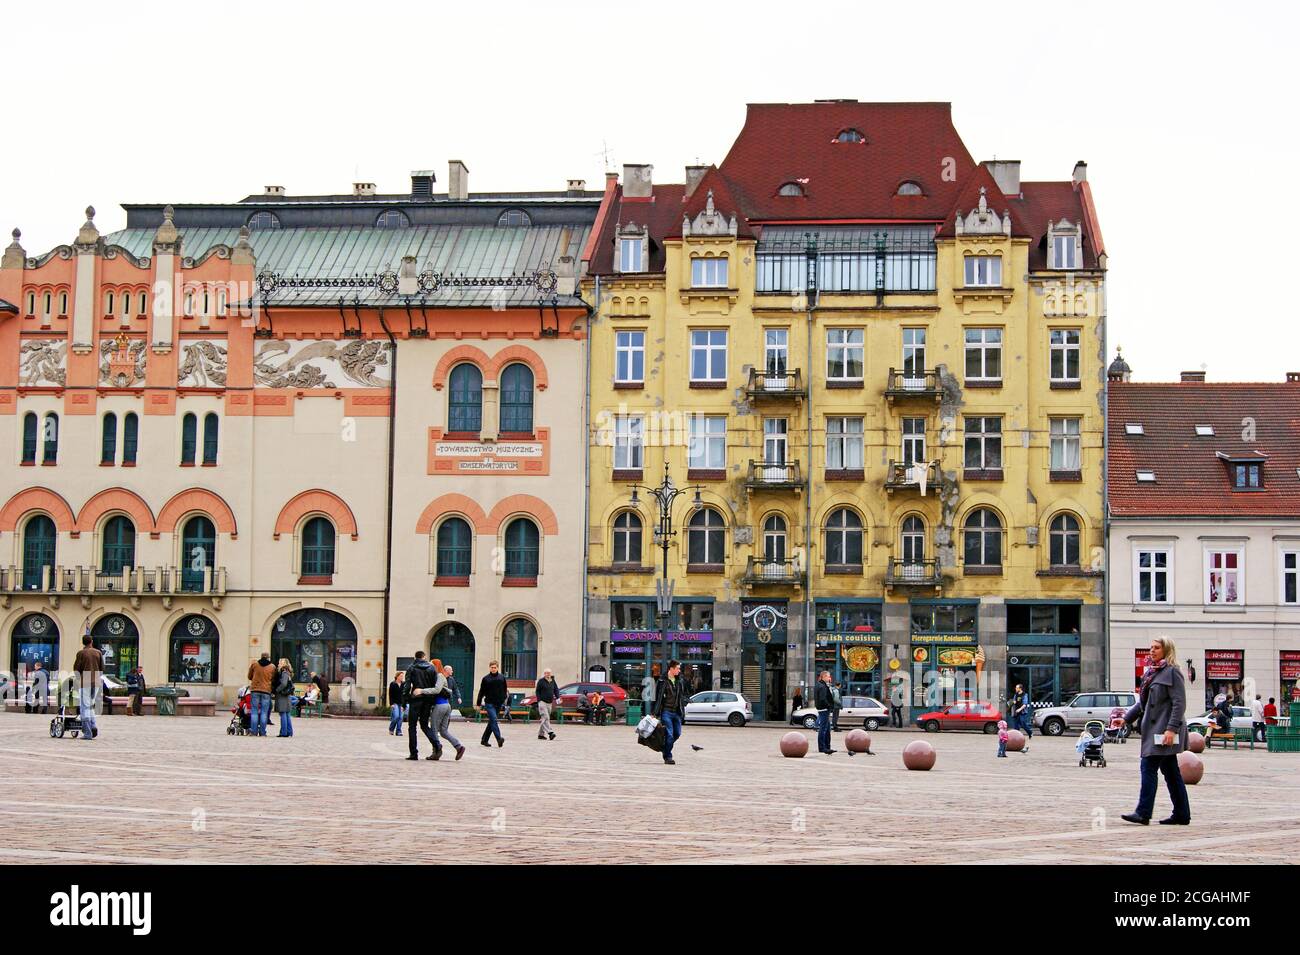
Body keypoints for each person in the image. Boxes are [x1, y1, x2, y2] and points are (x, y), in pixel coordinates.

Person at [1122, 636, 1191, 826]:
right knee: (1170, 771)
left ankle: (1143, 812)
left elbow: (1179, 704)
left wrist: (1171, 729)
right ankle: (1182, 814)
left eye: (1157, 648)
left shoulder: (1172, 673)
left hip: (1164, 730)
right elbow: (1142, 703)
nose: (1152, 651)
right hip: (1154, 730)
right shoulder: (1151, 674)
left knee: (1148, 766)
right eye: (1151, 647)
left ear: (1167, 650)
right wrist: (1126, 719)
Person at [404, 651, 441, 761]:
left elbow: (407, 685)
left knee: (412, 727)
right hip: (428, 700)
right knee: (424, 725)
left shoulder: (411, 667)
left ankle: (413, 753)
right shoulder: (431, 668)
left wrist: (406, 698)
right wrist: (433, 700)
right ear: (424, 657)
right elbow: (435, 685)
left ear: (415, 657)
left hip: (416, 700)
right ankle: (437, 745)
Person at [653, 660, 688, 765]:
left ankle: (665, 748)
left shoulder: (680, 680)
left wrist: (684, 702)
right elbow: (658, 698)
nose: (679, 670)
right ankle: (668, 756)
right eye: (677, 668)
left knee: (677, 733)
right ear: (671, 669)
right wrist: (655, 712)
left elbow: (682, 695)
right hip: (666, 712)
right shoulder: (662, 681)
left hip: (677, 712)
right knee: (670, 735)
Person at [430, 658, 466, 760]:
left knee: (434, 730)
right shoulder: (442, 677)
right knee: (443, 731)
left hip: (440, 705)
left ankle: (436, 751)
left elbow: (436, 690)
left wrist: (422, 691)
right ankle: (458, 746)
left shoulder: (438, 676)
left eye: (431, 664)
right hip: (447, 706)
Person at [73, 635, 104, 741]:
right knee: (91, 705)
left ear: (83, 643)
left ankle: (87, 732)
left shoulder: (81, 653)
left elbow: (76, 669)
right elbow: (101, 668)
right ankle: (93, 725)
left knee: (85, 707)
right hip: (96, 681)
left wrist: (78, 679)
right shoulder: (98, 652)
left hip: (85, 681)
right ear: (91, 641)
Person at [476, 660, 508, 748]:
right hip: (489, 703)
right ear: (489, 668)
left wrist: (504, 698)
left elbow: (505, 689)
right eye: (492, 667)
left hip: (498, 703)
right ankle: (499, 739)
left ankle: (484, 740)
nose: (493, 669)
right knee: (494, 719)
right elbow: (481, 691)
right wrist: (478, 703)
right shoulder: (486, 679)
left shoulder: (502, 678)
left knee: (491, 722)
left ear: (497, 668)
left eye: (495, 667)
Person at [246, 652, 277, 737]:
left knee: (254, 711)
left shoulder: (255, 665)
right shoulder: (272, 667)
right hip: (266, 691)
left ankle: (254, 732)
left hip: (255, 690)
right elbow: (274, 678)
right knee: (264, 712)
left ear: (261, 657)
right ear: (268, 658)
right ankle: (263, 732)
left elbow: (249, 676)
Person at [814, 671, 835, 755]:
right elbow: (823, 699)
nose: (829, 678)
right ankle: (823, 748)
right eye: (828, 676)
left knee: (827, 729)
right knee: (823, 729)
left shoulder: (819, 684)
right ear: (824, 676)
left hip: (822, 709)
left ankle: (827, 747)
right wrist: (829, 706)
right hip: (824, 709)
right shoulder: (822, 686)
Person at [535, 668, 559, 741]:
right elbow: (537, 691)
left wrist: (558, 697)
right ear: (544, 674)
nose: (547, 674)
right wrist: (539, 701)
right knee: (546, 717)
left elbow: (556, 689)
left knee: (544, 718)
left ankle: (541, 735)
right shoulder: (541, 681)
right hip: (542, 702)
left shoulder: (552, 681)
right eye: (546, 673)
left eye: (548, 673)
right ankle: (550, 733)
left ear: (550, 674)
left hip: (549, 702)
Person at [273, 658, 295, 737]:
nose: (278, 664)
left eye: (280, 662)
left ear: (284, 663)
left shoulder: (284, 672)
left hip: (283, 695)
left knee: (283, 713)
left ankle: (284, 732)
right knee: (286, 714)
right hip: (286, 695)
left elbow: (283, 684)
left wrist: (277, 690)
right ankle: (289, 732)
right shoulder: (287, 672)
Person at [1010, 683, 1032, 752]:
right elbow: (1014, 701)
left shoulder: (1025, 695)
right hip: (1016, 713)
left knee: (1022, 723)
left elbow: (1025, 704)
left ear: (1020, 688)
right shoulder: (1015, 695)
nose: (1015, 689)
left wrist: (1020, 709)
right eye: (1016, 688)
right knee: (1016, 727)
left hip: (1022, 712)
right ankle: (1016, 740)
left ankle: (1030, 732)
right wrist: (1011, 703)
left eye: (1017, 688)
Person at [388, 671, 405, 736]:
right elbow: (390, 694)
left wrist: (404, 705)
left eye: (402, 676)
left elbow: (405, 695)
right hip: (395, 703)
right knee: (396, 716)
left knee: (400, 717)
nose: (402, 677)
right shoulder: (393, 684)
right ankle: (391, 729)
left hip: (402, 703)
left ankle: (398, 731)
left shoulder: (404, 684)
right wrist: (391, 704)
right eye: (401, 676)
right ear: (397, 676)